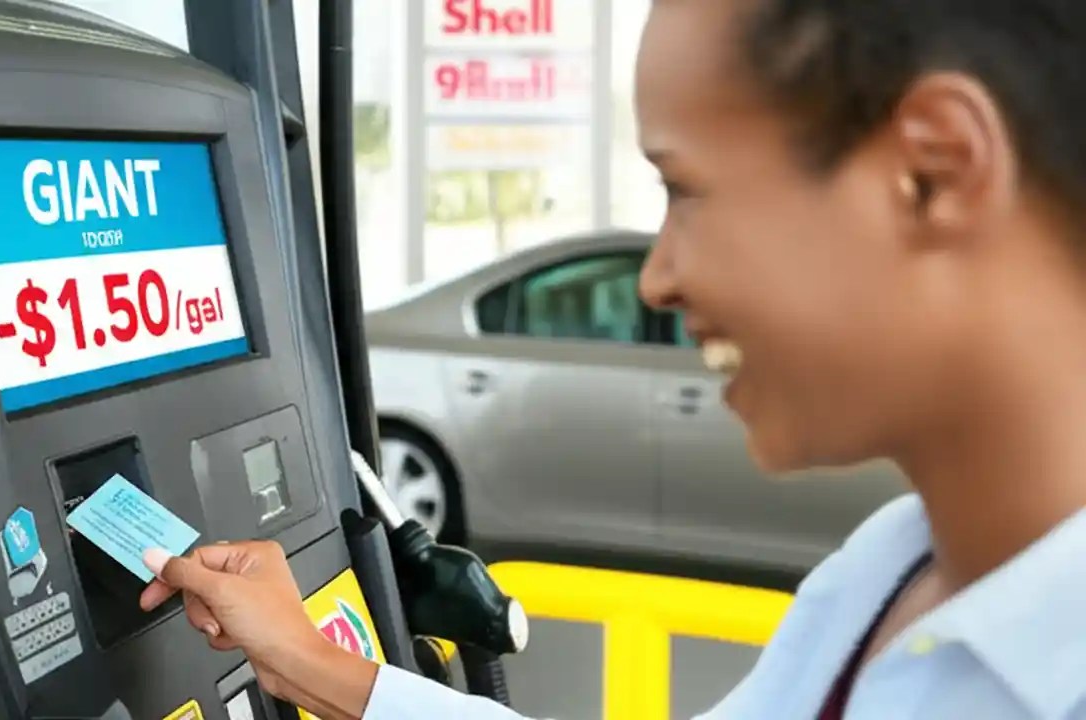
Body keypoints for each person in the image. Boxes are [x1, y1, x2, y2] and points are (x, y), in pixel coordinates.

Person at [139, 0, 1086, 717]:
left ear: (936, 169)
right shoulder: (888, 570)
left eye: (688, 189)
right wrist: (308, 662)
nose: (658, 278)